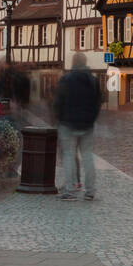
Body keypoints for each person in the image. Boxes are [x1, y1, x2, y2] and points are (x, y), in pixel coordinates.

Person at [54, 52, 101, 201]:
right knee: (87, 156)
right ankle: (90, 191)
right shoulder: (93, 80)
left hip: (68, 123)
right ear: (85, 62)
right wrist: (92, 118)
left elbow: (58, 102)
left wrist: (60, 118)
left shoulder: (66, 80)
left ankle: (70, 191)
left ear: (73, 63)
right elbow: (98, 103)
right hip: (87, 124)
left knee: (69, 156)